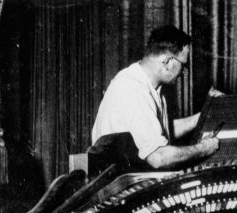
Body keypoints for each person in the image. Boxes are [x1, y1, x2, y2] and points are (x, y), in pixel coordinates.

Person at [90, 25, 220, 170]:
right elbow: (159, 158)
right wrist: (203, 148)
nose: (183, 73)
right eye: (183, 66)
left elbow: (161, 131)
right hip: (120, 184)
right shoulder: (133, 89)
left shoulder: (150, 87)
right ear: (167, 62)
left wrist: (204, 115)